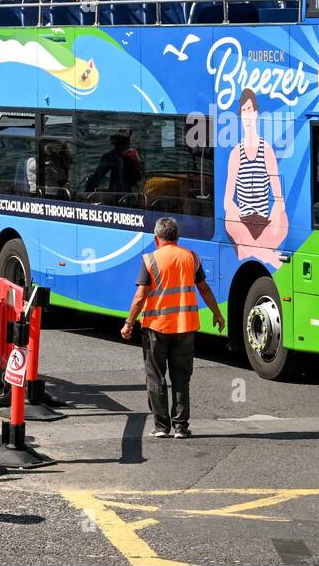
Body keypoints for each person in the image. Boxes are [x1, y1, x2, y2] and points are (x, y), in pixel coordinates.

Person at [120, 217, 224, 439]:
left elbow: (140, 296)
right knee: (181, 378)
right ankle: (180, 426)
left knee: (156, 377)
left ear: (157, 238)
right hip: (185, 327)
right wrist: (217, 313)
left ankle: (161, 427)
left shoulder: (150, 259)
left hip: (156, 327)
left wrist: (129, 323)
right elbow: (204, 289)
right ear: (177, 237)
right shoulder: (191, 257)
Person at [223, 88, 289, 267]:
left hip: (262, 222)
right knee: (229, 215)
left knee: (283, 217)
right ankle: (267, 256)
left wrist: (277, 209)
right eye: (243, 111)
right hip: (242, 222)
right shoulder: (236, 153)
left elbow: (278, 196)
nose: (246, 115)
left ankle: (248, 250)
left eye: (249, 109)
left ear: (256, 113)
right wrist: (233, 209)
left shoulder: (266, 150)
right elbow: (227, 199)